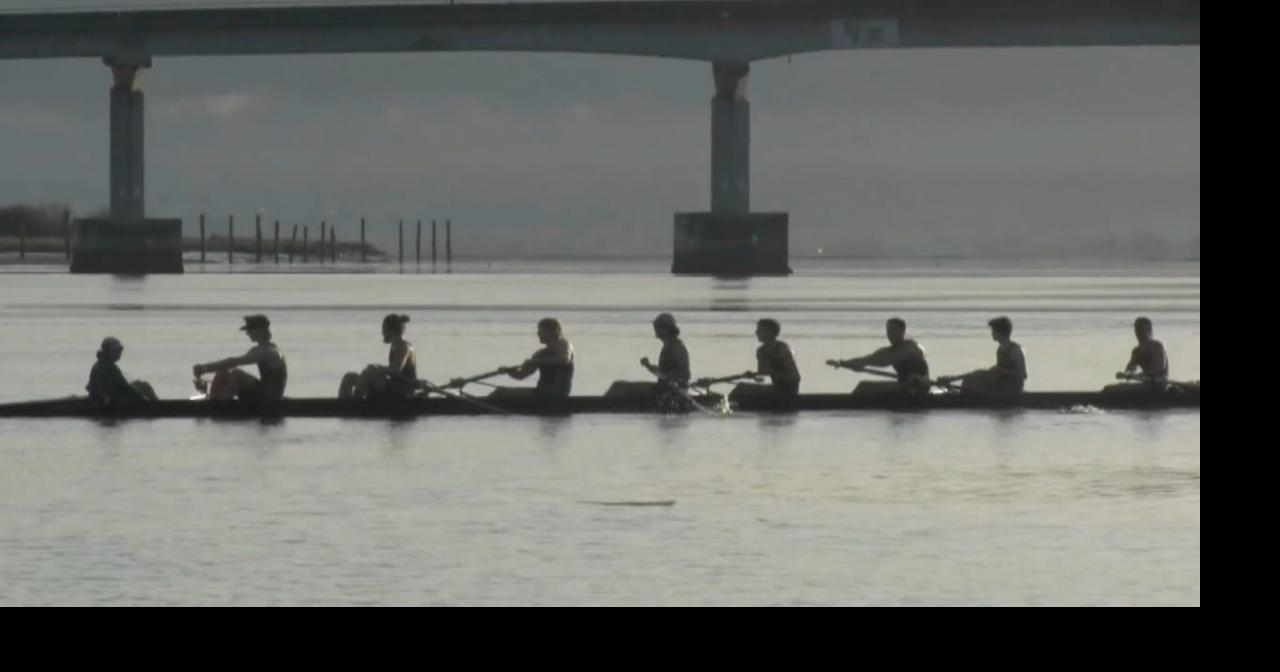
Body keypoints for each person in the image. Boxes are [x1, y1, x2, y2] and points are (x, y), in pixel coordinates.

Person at [192, 314, 288, 402]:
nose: (247, 333)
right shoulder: (258, 349)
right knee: (222, 373)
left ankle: (222, 406)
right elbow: (231, 363)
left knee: (237, 374)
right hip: (260, 393)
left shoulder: (270, 351)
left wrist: (205, 368)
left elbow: (233, 362)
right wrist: (204, 373)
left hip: (272, 398)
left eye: (250, 330)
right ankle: (213, 401)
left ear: (261, 330)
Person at [827, 317, 930, 393]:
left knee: (863, 387)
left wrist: (857, 364)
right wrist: (843, 363)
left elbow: (881, 361)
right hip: (906, 386)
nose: (890, 334)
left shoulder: (911, 348)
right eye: (888, 330)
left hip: (918, 387)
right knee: (864, 386)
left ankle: (852, 406)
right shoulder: (890, 350)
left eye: (893, 330)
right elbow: (868, 359)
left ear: (902, 332)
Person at [938, 316, 1027, 393]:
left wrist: (1000, 370)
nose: (992, 333)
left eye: (993, 330)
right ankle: (951, 380)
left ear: (1000, 332)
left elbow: (1023, 375)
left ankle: (955, 386)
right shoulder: (1000, 349)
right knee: (974, 375)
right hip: (1000, 382)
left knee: (974, 377)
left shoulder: (1016, 350)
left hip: (1012, 386)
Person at [339, 314, 419, 400]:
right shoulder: (396, 345)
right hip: (393, 386)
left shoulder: (403, 346)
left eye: (383, 330)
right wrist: (377, 368)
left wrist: (377, 369)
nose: (382, 333)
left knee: (369, 373)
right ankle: (342, 403)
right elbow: (392, 370)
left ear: (390, 330)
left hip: (403, 390)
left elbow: (395, 370)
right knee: (349, 377)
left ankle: (353, 403)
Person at [86, 337, 157, 408]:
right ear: (109, 352)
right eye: (116, 351)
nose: (119, 353)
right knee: (145, 386)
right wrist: (142, 399)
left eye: (120, 351)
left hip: (106, 398)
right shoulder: (108, 367)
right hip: (111, 401)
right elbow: (125, 388)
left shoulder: (100, 363)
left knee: (140, 384)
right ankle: (156, 405)